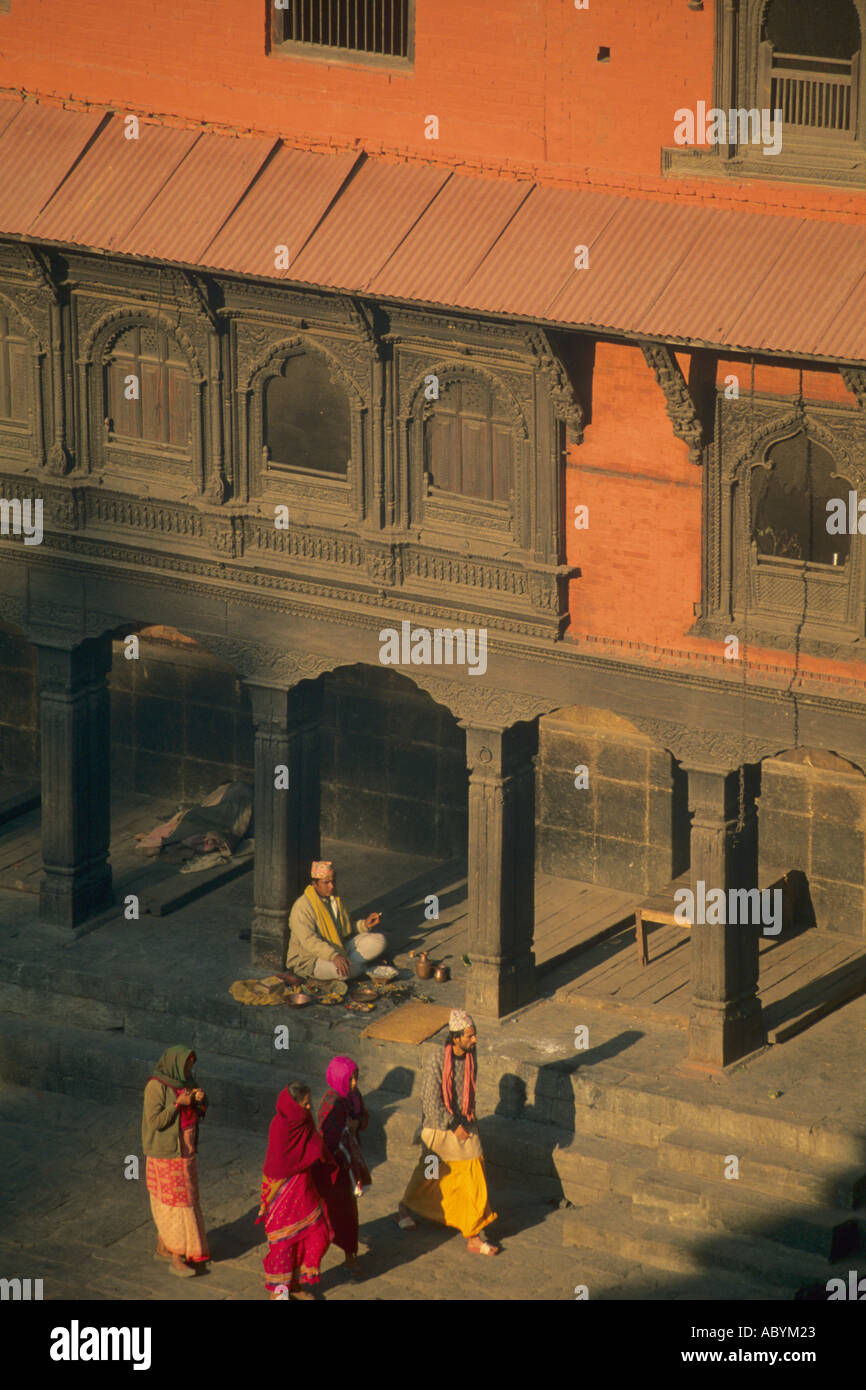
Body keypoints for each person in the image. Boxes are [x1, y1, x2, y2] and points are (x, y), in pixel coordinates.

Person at [396, 1010, 499, 1255]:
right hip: (439, 1127)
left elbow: (468, 1091)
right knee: (429, 1174)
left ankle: (473, 1235)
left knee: (474, 1172)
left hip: (465, 1123)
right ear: (455, 1038)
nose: (474, 1040)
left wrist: (465, 1122)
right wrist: (453, 1126)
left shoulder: (471, 1056)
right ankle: (404, 1207)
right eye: (470, 1036)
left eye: (474, 1035)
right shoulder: (436, 1060)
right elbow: (430, 1099)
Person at [257, 1081, 336, 1300]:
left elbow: (313, 1144)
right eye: (305, 1104)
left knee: (314, 1232)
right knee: (284, 1241)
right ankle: (279, 1291)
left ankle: (295, 1284)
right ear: (293, 1105)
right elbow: (283, 1159)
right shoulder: (280, 1126)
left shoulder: (304, 1120)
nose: (309, 1108)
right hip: (281, 1187)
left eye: (309, 1103)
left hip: (303, 1185)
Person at [141, 1046, 210, 1277]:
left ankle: (164, 1247)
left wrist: (199, 1099)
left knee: (186, 1199)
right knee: (176, 1205)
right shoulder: (156, 1086)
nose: (189, 1070)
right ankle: (177, 1256)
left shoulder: (186, 1081)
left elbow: (198, 1109)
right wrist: (177, 1104)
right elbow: (155, 1121)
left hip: (185, 1152)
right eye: (186, 1065)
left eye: (191, 1066)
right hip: (166, 1154)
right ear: (175, 1064)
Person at [286, 860, 386, 980]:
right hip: (310, 959)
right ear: (314, 884)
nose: (331, 886)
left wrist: (364, 925)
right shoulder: (302, 907)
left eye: (333, 882)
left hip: (339, 948)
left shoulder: (334, 899)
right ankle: (361, 967)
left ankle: (352, 965)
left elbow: (346, 928)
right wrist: (333, 956)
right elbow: (309, 941)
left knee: (379, 941)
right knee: (343, 973)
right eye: (326, 883)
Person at [318, 1056, 372, 1276]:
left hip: (349, 1165)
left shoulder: (354, 1097)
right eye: (350, 1079)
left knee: (349, 1211)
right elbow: (328, 1136)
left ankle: (350, 1255)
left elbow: (364, 1119)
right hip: (333, 1164)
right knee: (327, 1213)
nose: (354, 1083)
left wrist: (356, 1124)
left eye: (356, 1078)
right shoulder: (331, 1102)